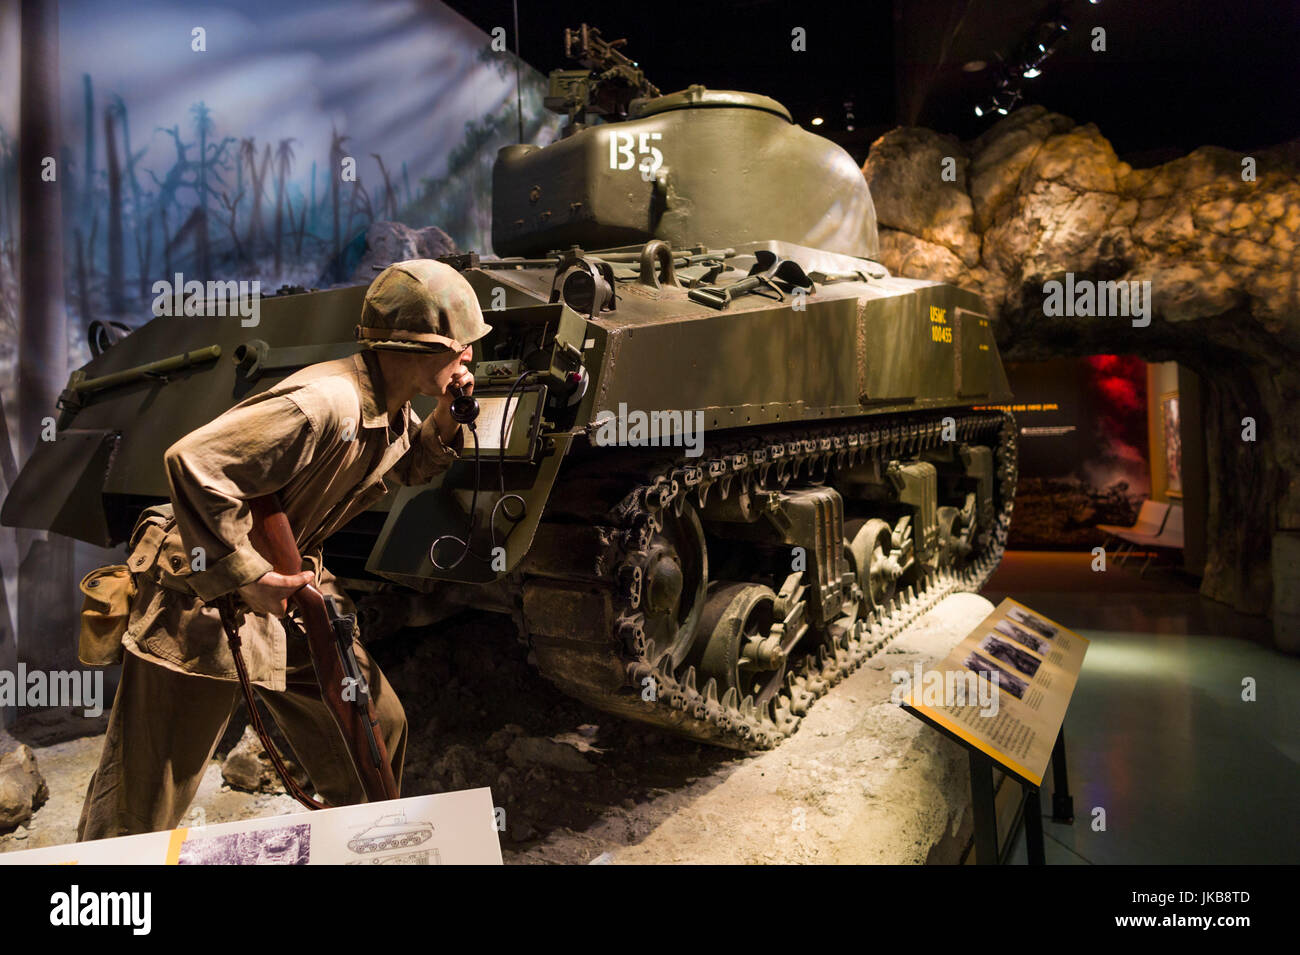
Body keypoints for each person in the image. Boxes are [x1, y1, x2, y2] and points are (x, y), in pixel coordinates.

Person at [76, 259, 491, 841]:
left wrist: (446, 419)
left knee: (374, 725)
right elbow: (193, 462)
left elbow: (407, 467)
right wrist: (247, 576)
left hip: (291, 588)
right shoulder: (325, 402)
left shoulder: (387, 405)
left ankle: (367, 847)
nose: (469, 356)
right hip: (201, 595)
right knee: (148, 793)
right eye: (458, 345)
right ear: (410, 348)